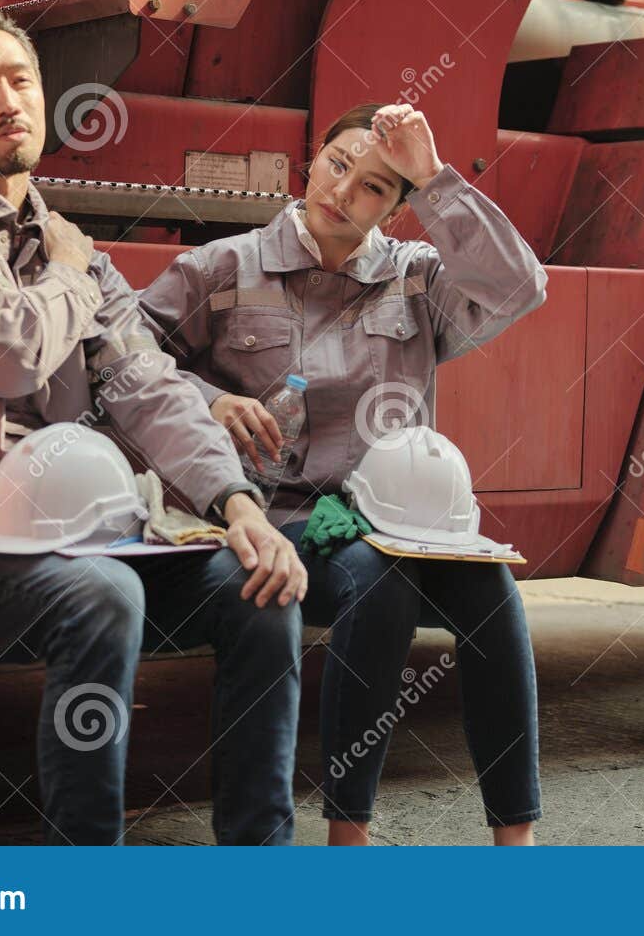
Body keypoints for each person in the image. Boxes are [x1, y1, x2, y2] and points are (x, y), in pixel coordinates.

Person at [0, 5, 307, 846]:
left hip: (73, 538)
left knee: (256, 590)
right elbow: (3, 354)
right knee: (102, 593)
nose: (6, 98)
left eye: (20, 80)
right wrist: (63, 271)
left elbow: (148, 386)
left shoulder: (80, 257)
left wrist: (238, 507)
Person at [140, 102, 548, 844]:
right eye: (337, 166)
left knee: (490, 587)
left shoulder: (419, 282)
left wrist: (435, 179)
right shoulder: (224, 267)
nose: (342, 192)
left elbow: (521, 286)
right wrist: (211, 398)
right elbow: (124, 358)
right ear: (310, 161)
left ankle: (515, 845)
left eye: (374, 188)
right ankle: (348, 838)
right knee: (378, 576)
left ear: (396, 208)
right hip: (272, 516)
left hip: (394, 515)